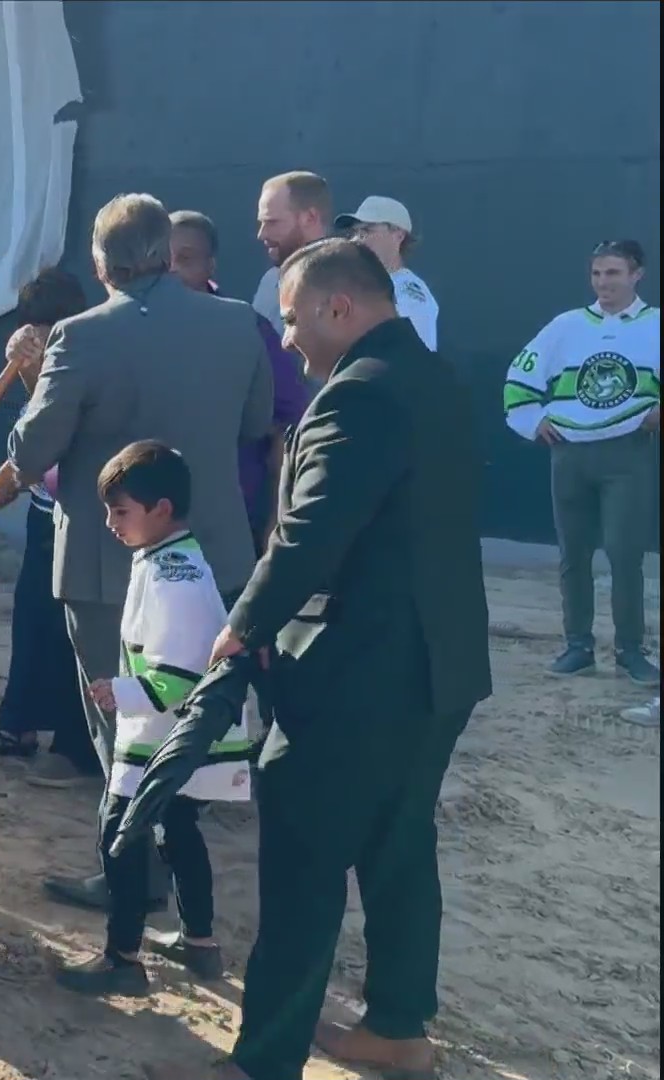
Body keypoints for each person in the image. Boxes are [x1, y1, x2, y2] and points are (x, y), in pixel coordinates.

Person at [152, 239, 493, 1080]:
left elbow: (309, 537)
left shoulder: (358, 397)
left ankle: (263, 1062)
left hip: (360, 673)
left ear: (340, 306)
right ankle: (399, 1028)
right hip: (439, 666)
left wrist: (241, 625)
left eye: (296, 317)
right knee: (398, 848)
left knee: (304, 865)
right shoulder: (435, 379)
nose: (290, 338)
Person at [5, 193, 272, 916]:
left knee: (120, 721)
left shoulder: (82, 335)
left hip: (105, 561)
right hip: (213, 555)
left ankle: (134, 873)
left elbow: (33, 452)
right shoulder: (238, 322)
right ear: (168, 250)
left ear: (100, 262)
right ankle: (184, 875)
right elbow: (255, 421)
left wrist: (31, 387)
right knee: (196, 708)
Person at [53, 440, 251, 996]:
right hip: (182, 738)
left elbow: (180, 674)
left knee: (118, 833)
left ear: (161, 510)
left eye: (121, 512)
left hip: (163, 740)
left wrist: (119, 692)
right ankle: (200, 944)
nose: (112, 524)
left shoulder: (174, 578)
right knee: (179, 831)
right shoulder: (172, 562)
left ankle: (122, 958)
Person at [502, 238, 659, 685]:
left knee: (625, 554)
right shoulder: (566, 326)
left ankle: (631, 651)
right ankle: (578, 646)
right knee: (573, 554)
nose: (603, 283)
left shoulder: (655, 326)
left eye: (613, 273)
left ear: (636, 274)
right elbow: (521, 375)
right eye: (597, 274)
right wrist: (532, 421)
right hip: (569, 454)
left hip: (627, 454)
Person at [0, 267, 92, 777]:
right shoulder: (45, 361)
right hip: (42, 512)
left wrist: (36, 376)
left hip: (84, 516)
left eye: (45, 328)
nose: (36, 338)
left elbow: (57, 429)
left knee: (70, 629)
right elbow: (31, 434)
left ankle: (75, 741)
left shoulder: (88, 355)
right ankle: (19, 722)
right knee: (30, 618)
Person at [169, 210, 310, 551]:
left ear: (210, 266)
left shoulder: (247, 329)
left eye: (185, 259)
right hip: (147, 526)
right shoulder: (128, 328)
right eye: (161, 259)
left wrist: (275, 527)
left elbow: (287, 427)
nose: (171, 270)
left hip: (226, 527)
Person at [336, 196, 438, 350]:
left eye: (367, 231)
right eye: (355, 232)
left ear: (398, 235)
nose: (357, 240)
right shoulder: (358, 287)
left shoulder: (408, 290)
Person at [252, 171, 333, 335]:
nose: (262, 234)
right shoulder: (269, 281)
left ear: (310, 217)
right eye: (261, 223)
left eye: (272, 222)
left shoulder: (348, 285)